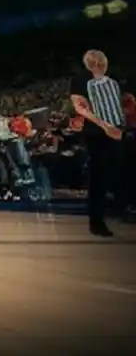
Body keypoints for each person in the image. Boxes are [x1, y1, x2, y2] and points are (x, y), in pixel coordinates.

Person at [69, 49, 127, 237]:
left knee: (121, 169)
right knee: (99, 175)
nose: (100, 62)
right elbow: (81, 107)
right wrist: (105, 126)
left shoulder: (113, 79)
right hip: (96, 132)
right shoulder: (80, 80)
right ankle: (97, 220)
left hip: (117, 129)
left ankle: (121, 209)